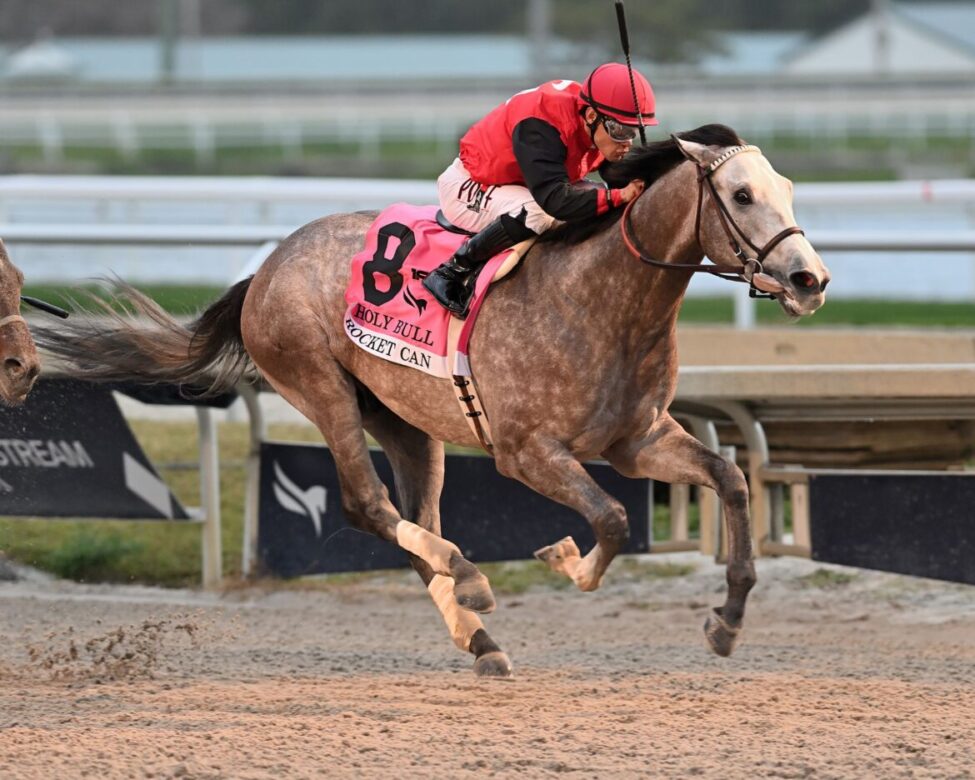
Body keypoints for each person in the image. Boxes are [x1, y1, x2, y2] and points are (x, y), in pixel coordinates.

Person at [422, 62, 657, 317]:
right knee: (537, 212)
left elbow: (612, 174)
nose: (626, 142)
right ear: (591, 116)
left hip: (518, 183)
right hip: (470, 185)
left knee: (597, 196)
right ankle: (451, 271)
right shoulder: (541, 126)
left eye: (633, 130)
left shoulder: (593, 118)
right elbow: (554, 201)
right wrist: (619, 195)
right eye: (619, 130)